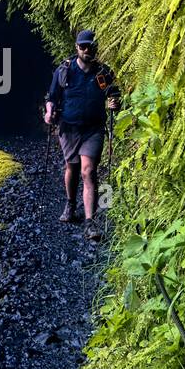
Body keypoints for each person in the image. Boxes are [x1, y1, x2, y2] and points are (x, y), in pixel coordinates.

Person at [44, 29, 119, 240]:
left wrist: (114, 103)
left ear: (95, 48)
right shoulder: (64, 71)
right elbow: (52, 96)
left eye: (91, 46)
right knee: (72, 168)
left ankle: (90, 222)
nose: (87, 50)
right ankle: (70, 203)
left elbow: (113, 94)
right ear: (77, 48)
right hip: (68, 128)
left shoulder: (103, 73)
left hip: (93, 129)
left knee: (89, 171)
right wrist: (49, 112)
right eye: (83, 46)